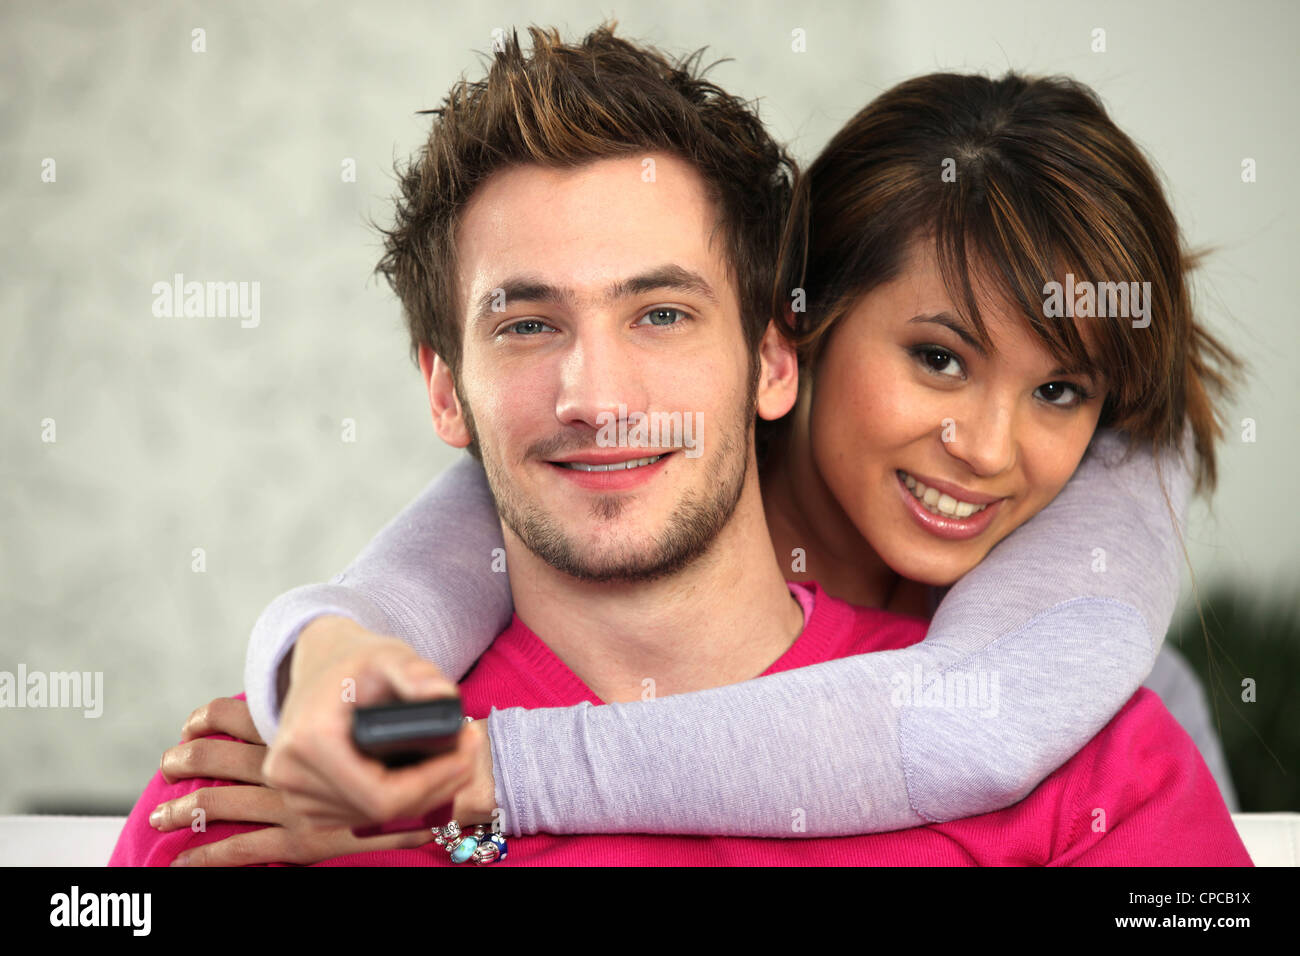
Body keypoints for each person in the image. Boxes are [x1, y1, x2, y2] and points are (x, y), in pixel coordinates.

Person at [111, 26, 1244, 865]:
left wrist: (475, 775)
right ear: (444, 393)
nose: (598, 395)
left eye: (661, 312)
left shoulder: (1087, 730)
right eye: (527, 324)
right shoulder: (276, 788)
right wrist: (330, 670)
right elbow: (427, 567)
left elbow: (971, 718)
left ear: (769, 353)